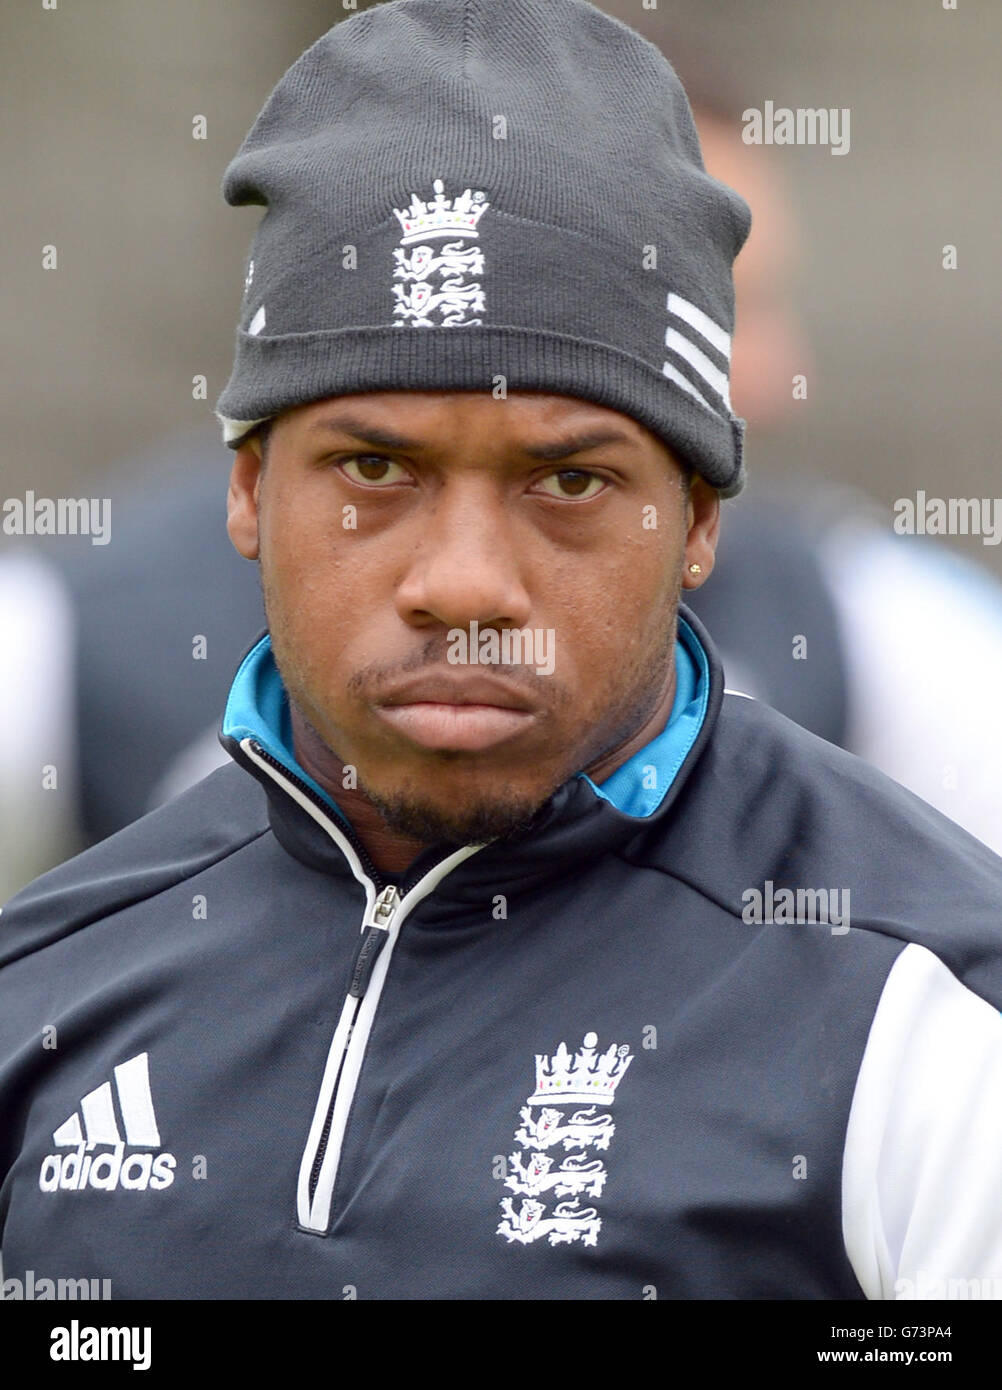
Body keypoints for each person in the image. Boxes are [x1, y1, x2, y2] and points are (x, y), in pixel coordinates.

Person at [3, 0, 1002, 1301]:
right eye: (373, 465)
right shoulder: (42, 983)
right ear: (246, 490)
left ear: (698, 511)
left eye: (567, 480)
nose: (462, 582)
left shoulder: (929, 1018)